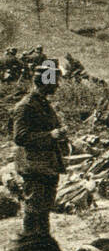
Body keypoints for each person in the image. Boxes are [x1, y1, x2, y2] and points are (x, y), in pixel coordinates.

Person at [13, 62, 67, 236]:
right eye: (54, 82)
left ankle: (43, 245)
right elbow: (20, 137)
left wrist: (59, 134)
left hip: (47, 165)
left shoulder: (43, 104)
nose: (57, 86)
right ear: (45, 83)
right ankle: (30, 245)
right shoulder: (26, 106)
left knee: (44, 210)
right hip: (34, 166)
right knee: (34, 209)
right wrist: (50, 135)